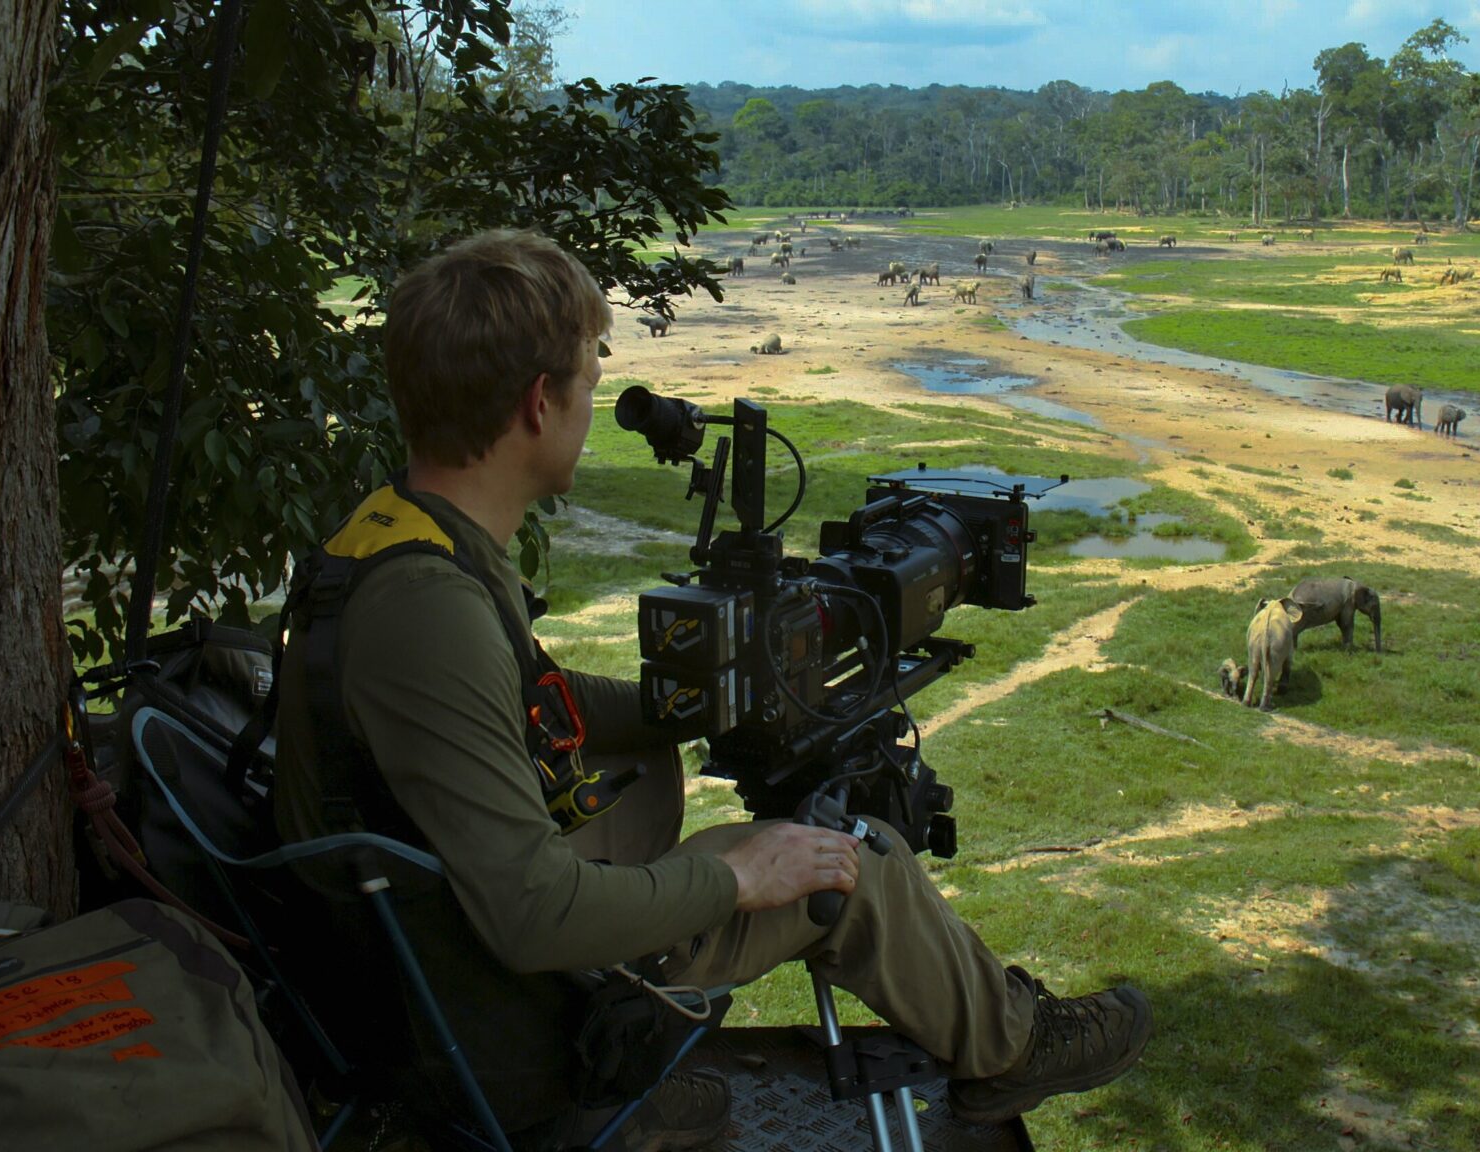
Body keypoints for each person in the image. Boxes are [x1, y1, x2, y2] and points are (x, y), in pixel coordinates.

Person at [272, 229, 1152, 1150]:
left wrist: (694, 697)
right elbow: (533, 914)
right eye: (585, 377)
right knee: (853, 860)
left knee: (650, 760)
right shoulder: (429, 611)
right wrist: (740, 874)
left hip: (421, 955)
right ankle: (1011, 1045)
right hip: (500, 1010)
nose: (591, 397)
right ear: (539, 404)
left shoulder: (399, 536)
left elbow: (531, 695)